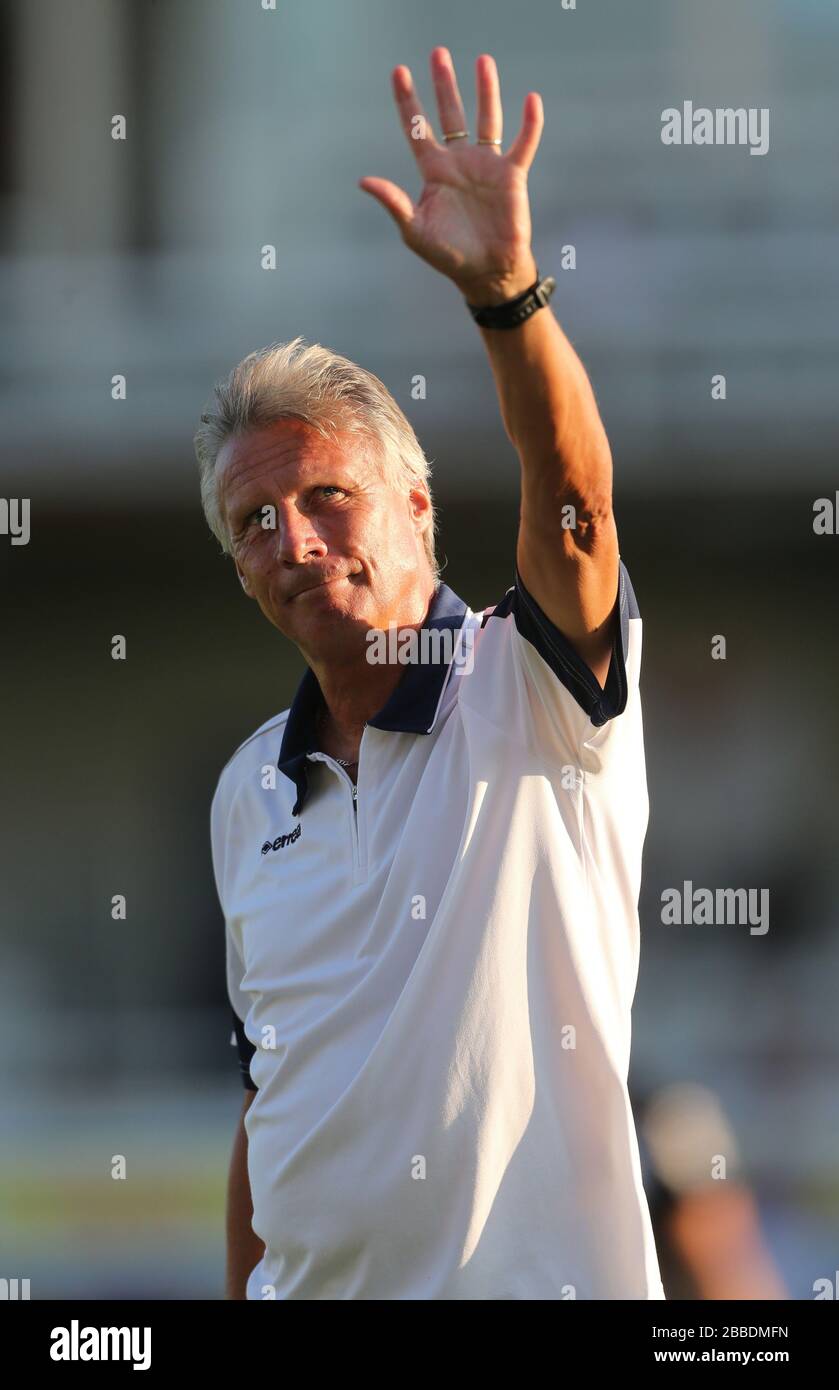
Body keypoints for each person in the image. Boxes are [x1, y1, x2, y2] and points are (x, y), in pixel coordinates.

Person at [195, 46, 663, 1300]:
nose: (289, 540)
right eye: (251, 523)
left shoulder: (531, 684)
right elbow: (270, 1092)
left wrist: (506, 293)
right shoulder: (249, 790)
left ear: (414, 505)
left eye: (324, 497)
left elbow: (573, 499)